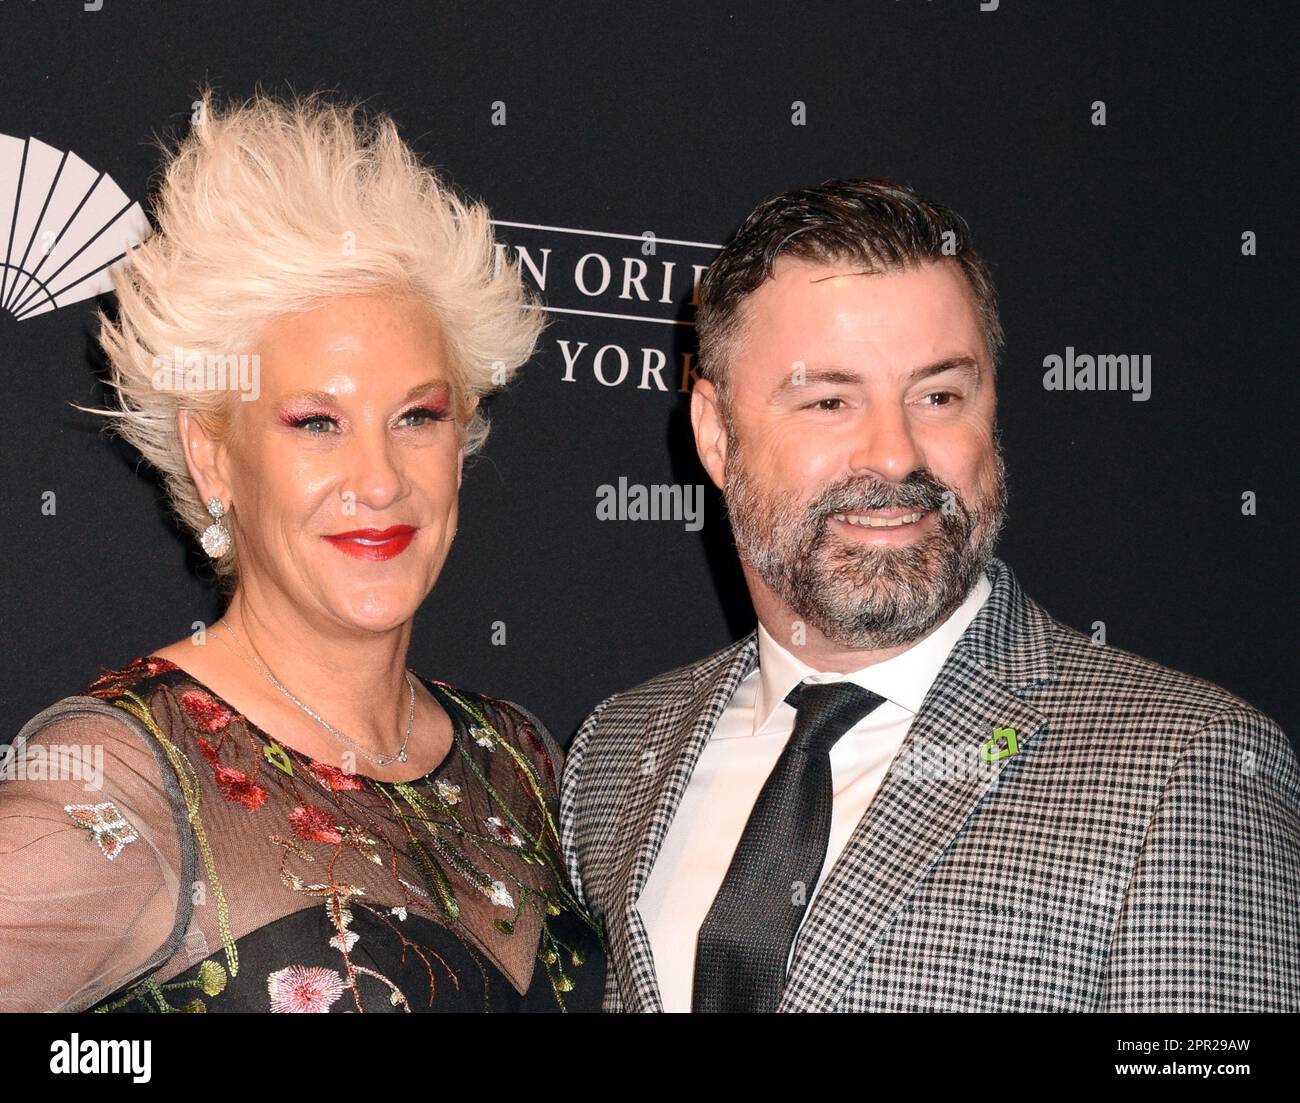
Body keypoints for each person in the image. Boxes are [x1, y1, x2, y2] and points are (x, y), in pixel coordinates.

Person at [559, 178, 1300, 1013]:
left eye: (938, 396)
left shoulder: (1185, 769)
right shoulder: (618, 756)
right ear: (717, 435)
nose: (893, 454)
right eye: (830, 400)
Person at [0, 89, 604, 1013]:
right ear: (214, 455)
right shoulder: (130, 779)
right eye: (316, 421)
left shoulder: (520, 758)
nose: (378, 476)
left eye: (417, 416)